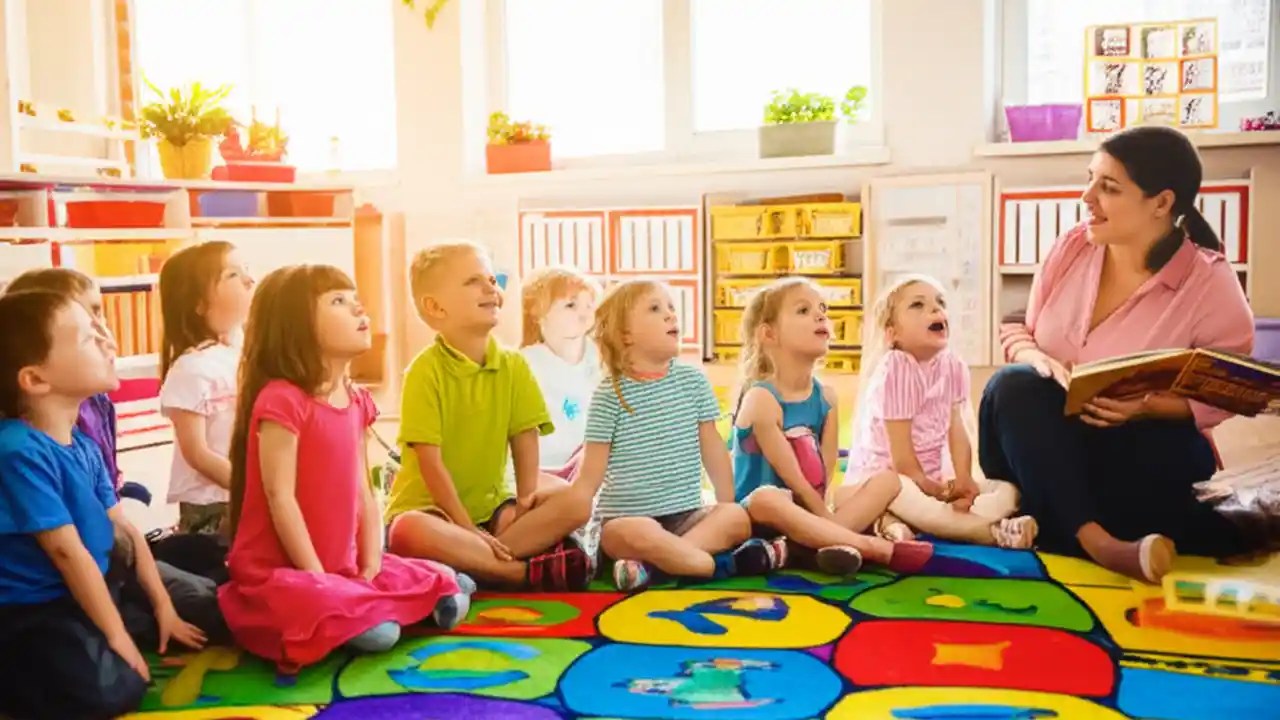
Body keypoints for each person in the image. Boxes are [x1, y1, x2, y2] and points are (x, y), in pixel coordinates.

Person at [986, 125, 1255, 582]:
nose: (1087, 197)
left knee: (1178, 457)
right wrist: (1036, 359)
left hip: (1131, 447)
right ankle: (1101, 542)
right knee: (1012, 386)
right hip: (1045, 437)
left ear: (1162, 203)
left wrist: (1147, 407)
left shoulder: (1209, 280)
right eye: (1090, 178)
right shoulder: (1072, 247)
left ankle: (1050, 517)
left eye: (1108, 187)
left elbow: (1233, 389)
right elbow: (1018, 327)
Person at [218, 265, 468, 673]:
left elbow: (363, 492)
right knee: (377, 629)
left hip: (345, 565)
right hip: (284, 573)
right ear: (295, 326)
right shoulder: (282, 399)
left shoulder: (354, 400)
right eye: (338, 301)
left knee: (433, 578)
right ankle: (375, 611)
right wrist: (319, 580)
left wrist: (370, 564)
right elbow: (279, 497)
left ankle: (381, 602)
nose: (357, 308)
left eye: (356, 300)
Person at [0, 291, 210, 720]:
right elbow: (66, 553)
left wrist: (164, 607)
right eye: (85, 337)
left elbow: (125, 530)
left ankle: (114, 630)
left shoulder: (80, 443)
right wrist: (117, 638)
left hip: (102, 584)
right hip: (37, 610)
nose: (105, 340)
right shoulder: (18, 451)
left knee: (207, 609)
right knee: (111, 691)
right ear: (36, 379)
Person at [385, 242, 593, 591]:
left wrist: (527, 500)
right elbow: (430, 465)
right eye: (472, 281)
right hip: (434, 511)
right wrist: (465, 528)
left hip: (494, 511)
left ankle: (473, 565)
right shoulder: (424, 371)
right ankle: (520, 573)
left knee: (576, 500)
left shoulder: (514, 364)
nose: (491, 288)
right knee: (408, 531)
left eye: (490, 279)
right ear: (435, 307)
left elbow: (524, 436)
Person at [572, 279, 786, 591]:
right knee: (627, 532)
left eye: (671, 308)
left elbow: (713, 447)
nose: (671, 315)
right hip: (628, 518)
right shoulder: (610, 394)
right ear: (624, 335)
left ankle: (653, 568)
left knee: (736, 518)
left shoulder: (692, 381)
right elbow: (590, 475)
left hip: (688, 514)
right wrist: (576, 520)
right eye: (655, 309)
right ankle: (717, 565)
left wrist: (727, 502)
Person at [732, 277, 939, 575]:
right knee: (768, 498)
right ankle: (872, 548)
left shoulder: (826, 397)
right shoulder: (761, 398)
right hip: (762, 517)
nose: (820, 316)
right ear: (768, 334)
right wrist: (826, 516)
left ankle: (804, 547)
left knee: (889, 481)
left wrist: (825, 513)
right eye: (803, 311)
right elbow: (796, 482)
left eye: (823, 309)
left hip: (812, 509)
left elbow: (824, 477)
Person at [843, 275, 1038, 550]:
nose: (935, 310)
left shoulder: (953, 365)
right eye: (917, 305)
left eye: (940, 302)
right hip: (889, 480)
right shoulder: (897, 367)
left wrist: (964, 481)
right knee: (910, 497)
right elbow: (903, 461)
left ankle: (894, 523)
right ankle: (994, 533)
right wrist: (937, 492)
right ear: (892, 334)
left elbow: (956, 429)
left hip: (933, 479)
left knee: (1007, 492)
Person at [3, 268, 150, 505]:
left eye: (98, 314)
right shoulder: (33, 439)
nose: (105, 336)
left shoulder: (94, 399)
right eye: (85, 332)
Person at [158, 241, 254, 536]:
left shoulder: (240, 353)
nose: (250, 280)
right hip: (212, 506)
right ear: (198, 303)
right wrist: (248, 488)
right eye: (232, 275)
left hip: (244, 495)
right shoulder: (192, 367)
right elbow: (197, 452)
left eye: (246, 271)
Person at [518, 266, 604, 558]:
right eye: (570, 305)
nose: (583, 313)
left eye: (589, 305)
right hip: (543, 469)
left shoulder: (600, 360)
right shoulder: (526, 364)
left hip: (591, 465)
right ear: (537, 313)